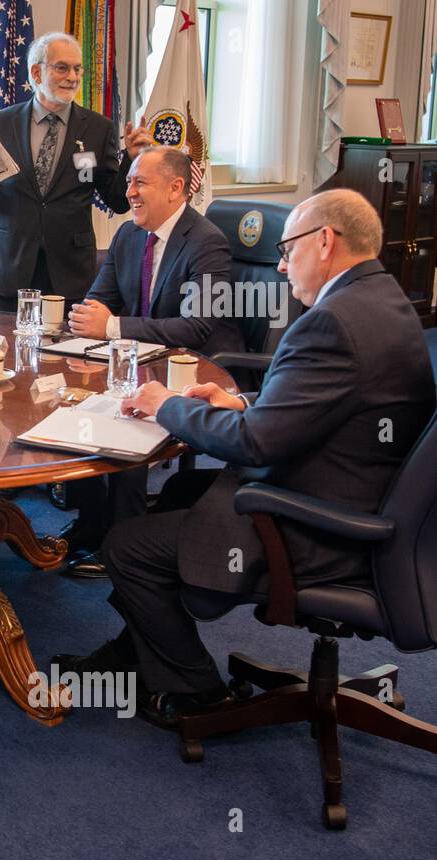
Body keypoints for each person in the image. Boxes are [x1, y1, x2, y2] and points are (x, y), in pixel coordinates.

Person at [52, 189, 435, 727]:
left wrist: (165, 406)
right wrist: (243, 400)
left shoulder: (333, 323)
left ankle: (197, 691)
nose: (279, 265)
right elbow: (322, 403)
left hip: (322, 527)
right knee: (180, 494)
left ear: (325, 241)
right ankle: (137, 651)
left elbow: (254, 444)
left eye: (287, 249)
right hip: (363, 495)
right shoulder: (384, 300)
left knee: (128, 544)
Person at [59, 146, 237, 577]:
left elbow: (197, 327)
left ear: (177, 189)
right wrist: (87, 321)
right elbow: (99, 303)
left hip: (191, 365)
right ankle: (91, 522)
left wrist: (113, 327)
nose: (130, 192)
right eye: (128, 183)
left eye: (140, 183)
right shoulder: (126, 235)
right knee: (72, 398)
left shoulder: (208, 242)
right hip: (134, 355)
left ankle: (122, 538)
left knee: (128, 417)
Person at [0, 31, 150, 312]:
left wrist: (130, 160)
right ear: (36, 73)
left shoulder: (98, 128)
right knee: (12, 352)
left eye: (77, 68)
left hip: (70, 273)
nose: (72, 77)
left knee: (65, 354)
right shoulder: (1, 123)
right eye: (62, 68)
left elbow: (117, 200)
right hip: (14, 268)